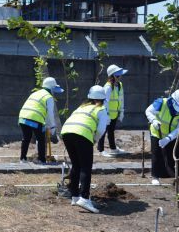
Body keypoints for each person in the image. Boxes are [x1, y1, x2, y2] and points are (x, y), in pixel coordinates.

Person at [60, 85, 109, 214]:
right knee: (85, 167)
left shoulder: (81, 107)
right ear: (103, 99)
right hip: (82, 134)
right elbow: (101, 129)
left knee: (76, 165)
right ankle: (85, 198)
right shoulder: (101, 109)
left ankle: (75, 196)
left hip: (66, 132)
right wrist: (94, 140)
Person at [145, 89, 179, 185]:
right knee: (157, 154)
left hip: (175, 133)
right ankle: (156, 176)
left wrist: (169, 138)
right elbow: (148, 111)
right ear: (173, 100)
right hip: (158, 132)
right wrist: (153, 120)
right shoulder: (161, 102)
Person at [18, 77, 63, 164]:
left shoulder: (36, 93)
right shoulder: (49, 97)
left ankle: (22, 159)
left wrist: (46, 124)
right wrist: (53, 127)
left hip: (23, 117)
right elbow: (50, 114)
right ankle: (42, 160)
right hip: (35, 118)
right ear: (51, 88)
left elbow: (40, 109)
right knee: (41, 139)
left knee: (26, 138)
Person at [98, 64, 127, 156]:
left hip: (114, 114)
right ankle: (101, 150)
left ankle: (113, 148)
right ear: (113, 76)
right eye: (118, 75)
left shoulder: (119, 85)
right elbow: (104, 102)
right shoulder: (108, 87)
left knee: (111, 132)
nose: (120, 77)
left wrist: (121, 111)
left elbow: (121, 99)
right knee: (103, 132)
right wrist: (105, 116)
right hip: (107, 114)